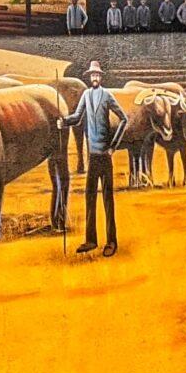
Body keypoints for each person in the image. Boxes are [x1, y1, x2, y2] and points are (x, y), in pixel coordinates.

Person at [61, 59, 124, 257]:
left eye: (97, 75)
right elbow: (77, 117)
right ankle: (91, 240)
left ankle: (111, 241)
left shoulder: (107, 95)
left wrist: (113, 146)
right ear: (89, 77)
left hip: (105, 156)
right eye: (92, 75)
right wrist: (64, 121)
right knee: (89, 197)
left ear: (100, 77)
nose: (94, 78)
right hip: (92, 157)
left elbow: (124, 119)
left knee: (107, 199)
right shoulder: (86, 95)